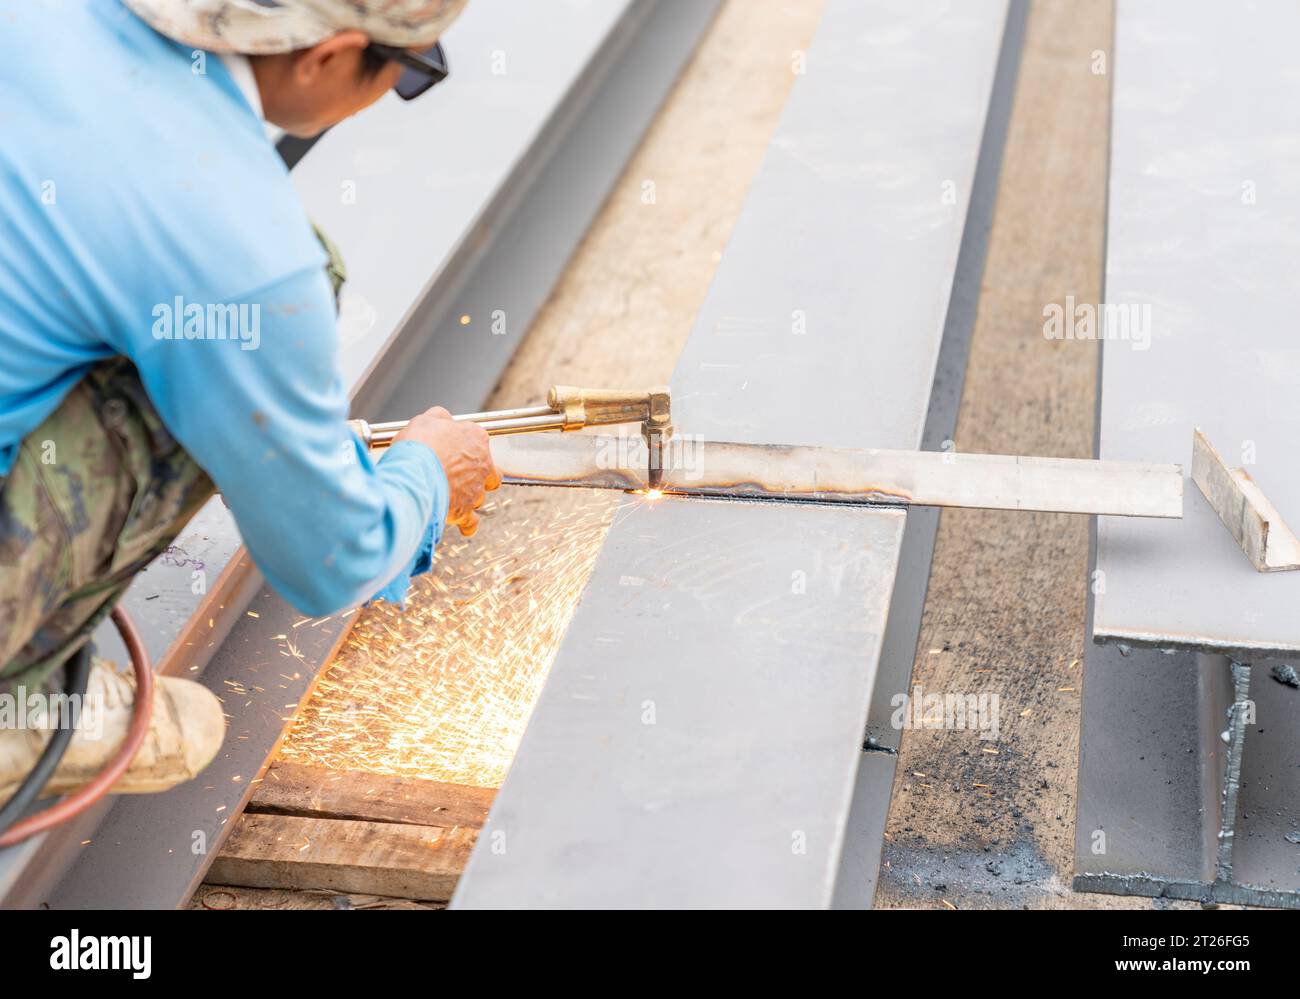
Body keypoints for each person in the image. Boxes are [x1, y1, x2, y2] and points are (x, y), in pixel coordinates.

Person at [0, 0, 499, 803]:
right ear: (327, 55)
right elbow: (330, 560)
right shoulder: (247, 255)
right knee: (226, 327)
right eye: (408, 70)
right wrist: (426, 477)